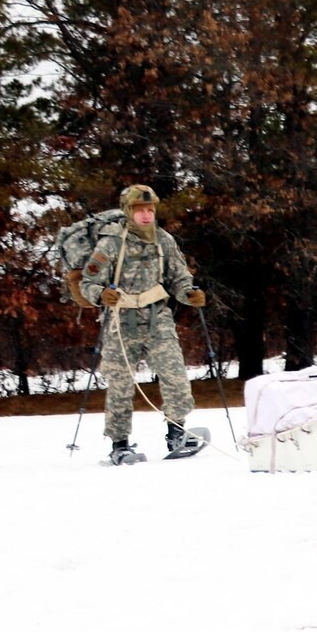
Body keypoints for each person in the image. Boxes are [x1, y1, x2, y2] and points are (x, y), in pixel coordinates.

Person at [77, 184, 207, 461]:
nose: (146, 215)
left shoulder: (164, 240)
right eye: (140, 210)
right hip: (120, 322)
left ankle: (177, 433)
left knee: (175, 377)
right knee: (120, 386)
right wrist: (101, 294)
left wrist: (189, 293)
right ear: (128, 211)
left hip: (157, 318)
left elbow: (179, 276)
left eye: (150, 209)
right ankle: (120, 444)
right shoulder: (111, 242)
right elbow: (89, 282)